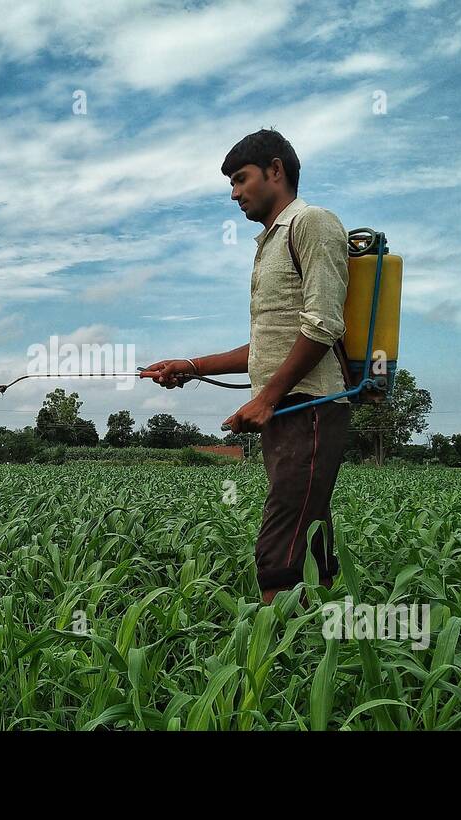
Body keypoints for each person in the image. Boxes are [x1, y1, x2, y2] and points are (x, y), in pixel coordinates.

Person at [141, 128, 351, 605]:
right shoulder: (269, 241)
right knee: (307, 527)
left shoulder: (312, 223)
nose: (234, 194)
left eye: (241, 180)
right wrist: (191, 365)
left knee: (280, 538)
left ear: (276, 171)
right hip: (289, 408)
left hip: (310, 407)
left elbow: (323, 325)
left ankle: (271, 657)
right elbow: (265, 346)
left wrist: (266, 398)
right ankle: (322, 644)